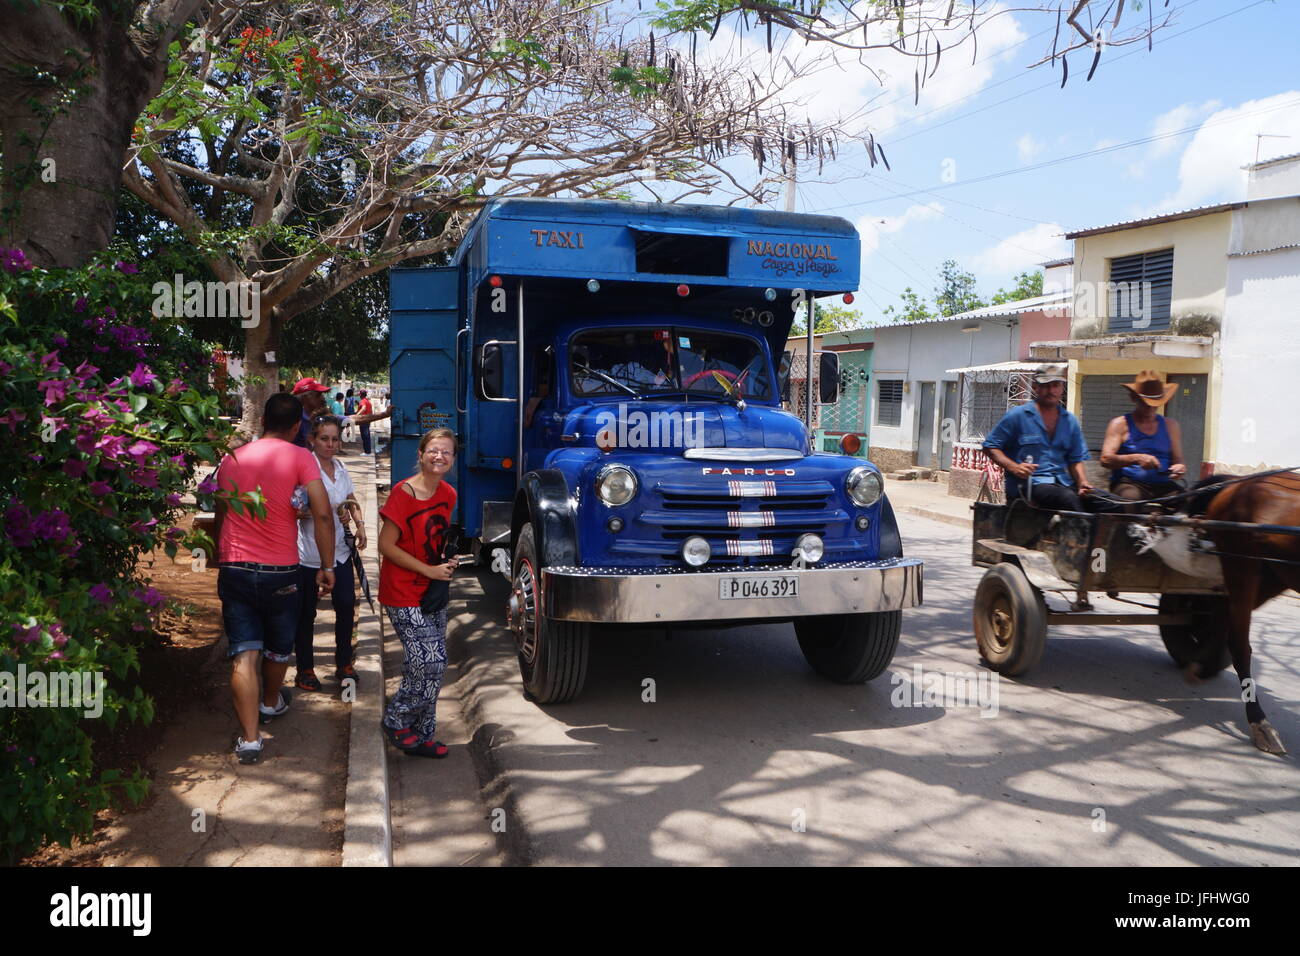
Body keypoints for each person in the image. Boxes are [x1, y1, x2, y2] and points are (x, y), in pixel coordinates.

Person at [212, 393, 336, 764]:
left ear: (263, 419)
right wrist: (327, 567)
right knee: (280, 646)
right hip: (282, 570)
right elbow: (323, 514)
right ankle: (270, 702)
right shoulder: (302, 457)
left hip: (235, 566)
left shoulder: (231, 457)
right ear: (299, 426)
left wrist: (221, 556)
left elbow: (221, 510)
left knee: (244, 653)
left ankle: (250, 741)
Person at [377, 427, 458, 758]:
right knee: (432, 661)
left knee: (424, 664)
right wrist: (428, 570)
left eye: (446, 452)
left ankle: (423, 734)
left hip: (433, 590)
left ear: (453, 459)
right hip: (402, 590)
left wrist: (447, 558)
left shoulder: (448, 494)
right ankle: (397, 719)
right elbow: (386, 545)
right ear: (421, 454)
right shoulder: (403, 493)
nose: (439, 456)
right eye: (433, 450)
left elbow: (434, 538)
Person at [292, 415, 363, 694]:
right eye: (324, 438)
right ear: (312, 439)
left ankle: (344, 662)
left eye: (334, 439)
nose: (330, 444)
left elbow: (350, 499)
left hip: (341, 553)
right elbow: (292, 507)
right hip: (308, 554)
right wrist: (309, 512)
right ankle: (305, 669)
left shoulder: (340, 467)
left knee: (346, 606)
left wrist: (360, 524)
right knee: (305, 614)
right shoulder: (304, 469)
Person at [983, 366, 1096, 512]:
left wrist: (1082, 483)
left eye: (1055, 385)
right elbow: (990, 446)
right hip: (1028, 486)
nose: (1051, 390)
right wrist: (1015, 467)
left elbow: (1075, 459)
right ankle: (1079, 533)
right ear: (1036, 388)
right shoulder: (1018, 415)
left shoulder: (1070, 421)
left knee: (1108, 502)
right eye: (1046, 386)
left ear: (1062, 388)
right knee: (1068, 498)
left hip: (1063, 484)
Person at [1100, 370, 1187, 501]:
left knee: (1190, 502)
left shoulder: (1171, 425)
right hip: (1129, 483)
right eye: (1145, 404)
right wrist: (1137, 458)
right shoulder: (1120, 424)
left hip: (1163, 484)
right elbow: (1105, 460)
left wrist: (1179, 469)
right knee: (1129, 499)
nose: (1150, 409)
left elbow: (1179, 461)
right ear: (1133, 398)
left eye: (1154, 405)